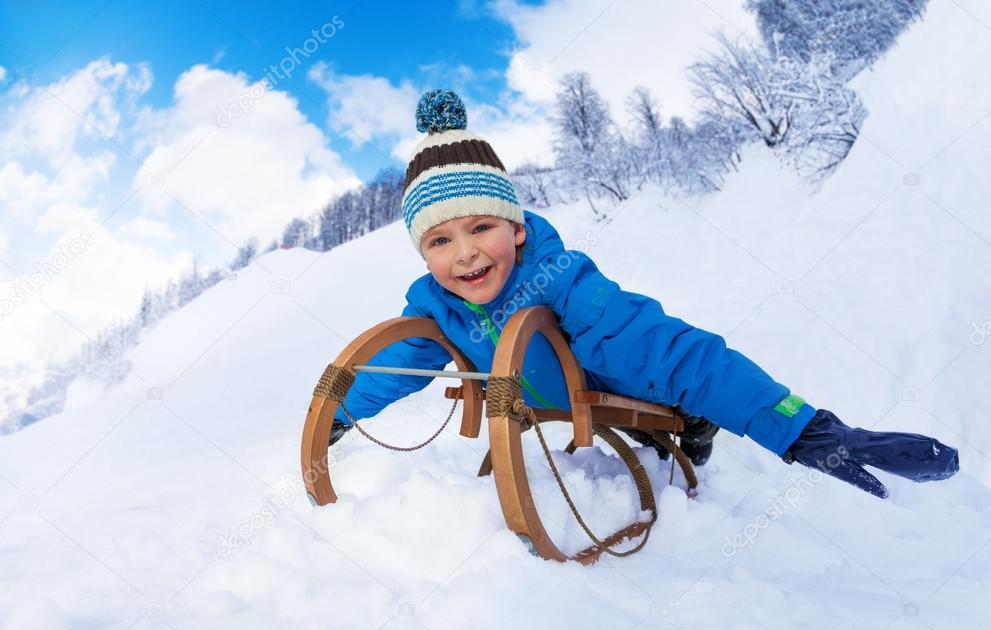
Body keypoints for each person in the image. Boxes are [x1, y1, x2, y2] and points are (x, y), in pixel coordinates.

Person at [327, 89, 959, 499]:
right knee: (631, 415)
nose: (463, 253)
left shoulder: (563, 281)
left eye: (481, 227)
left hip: (618, 387)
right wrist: (338, 411)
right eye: (439, 240)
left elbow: (671, 352)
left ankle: (692, 421)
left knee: (661, 391)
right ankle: (675, 427)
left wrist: (801, 429)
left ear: (517, 228)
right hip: (544, 402)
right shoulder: (434, 302)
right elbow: (398, 365)